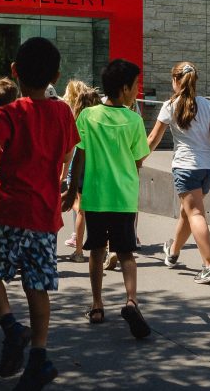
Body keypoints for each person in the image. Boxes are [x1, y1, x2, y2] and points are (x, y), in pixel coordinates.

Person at [0, 37, 79, 390]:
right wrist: (65, 179)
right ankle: (39, 358)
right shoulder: (62, 112)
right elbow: (70, 150)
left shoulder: (9, 114)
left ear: (15, 73)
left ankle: (12, 328)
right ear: (56, 74)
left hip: (9, 211)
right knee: (36, 286)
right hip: (43, 216)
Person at [61, 59, 152, 338]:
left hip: (95, 196)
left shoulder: (88, 117)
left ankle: (97, 304)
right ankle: (131, 301)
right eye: (135, 86)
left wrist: (71, 188)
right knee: (126, 253)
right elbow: (138, 160)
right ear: (124, 89)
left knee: (96, 251)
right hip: (124, 197)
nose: (136, 91)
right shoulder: (135, 120)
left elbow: (80, 157)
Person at [146, 61, 210, 285]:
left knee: (194, 213)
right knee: (188, 212)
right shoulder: (208, 105)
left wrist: (136, 161)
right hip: (207, 169)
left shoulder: (170, 106)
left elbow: (153, 139)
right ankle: (173, 252)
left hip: (186, 168)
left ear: (176, 81)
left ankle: (209, 265)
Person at [61, 80, 100, 263]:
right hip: (99, 170)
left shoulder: (78, 121)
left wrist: (66, 174)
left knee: (81, 210)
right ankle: (108, 249)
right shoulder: (101, 122)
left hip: (81, 170)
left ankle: (78, 252)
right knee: (102, 212)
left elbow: (73, 153)